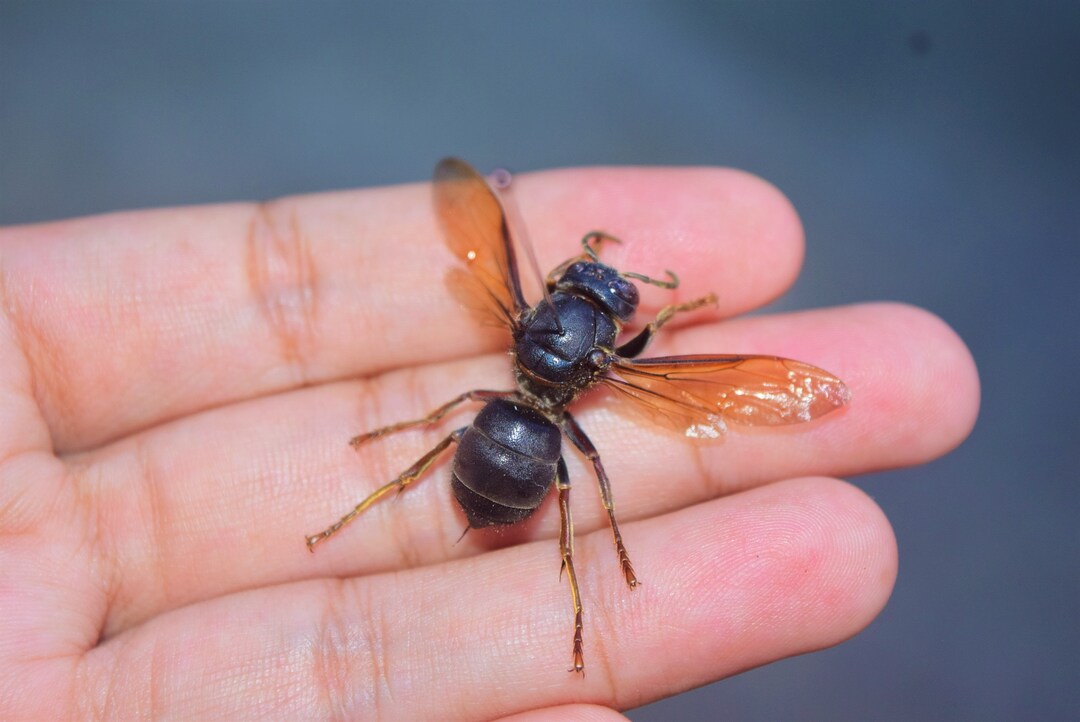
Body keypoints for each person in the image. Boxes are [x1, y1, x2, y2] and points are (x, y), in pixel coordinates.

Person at [0, 165, 978, 720]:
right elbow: (661, 363)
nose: (596, 297)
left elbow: (495, 240)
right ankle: (543, 555)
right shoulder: (618, 367)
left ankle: (374, 496)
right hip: (521, 444)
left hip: (500, 430)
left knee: (476, 420)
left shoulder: (524, 322)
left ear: (545, 310)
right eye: (602, 293)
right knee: (569, 467)